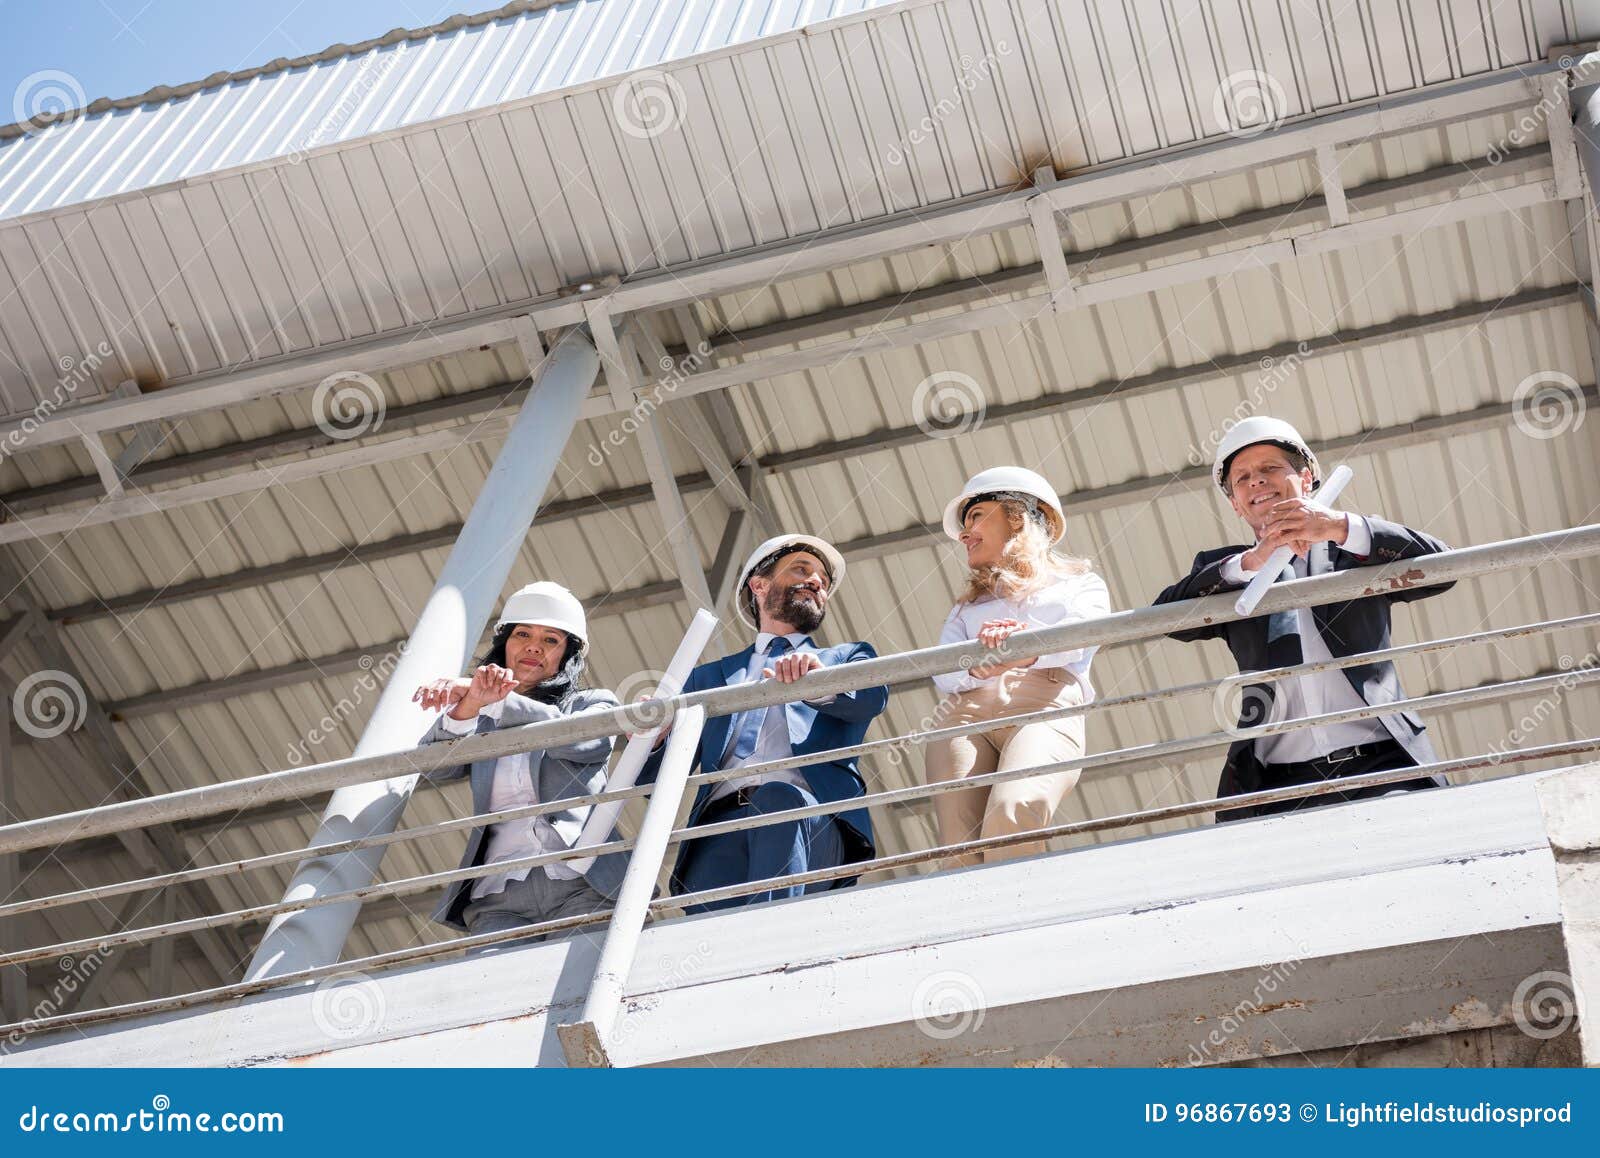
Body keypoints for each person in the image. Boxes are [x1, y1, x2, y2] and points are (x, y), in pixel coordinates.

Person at [1153, 416, 1451, 822]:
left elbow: (1442, 568)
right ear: (1236, 505)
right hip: (1276, 787)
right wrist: (1252, 563)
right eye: (1242, 478)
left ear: (1307, 479)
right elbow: (1168, 619)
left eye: (1270, 468)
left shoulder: (1352, 550)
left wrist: (1338, 526)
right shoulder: (1226, 572)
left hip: (1384, 767)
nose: (1256, 481)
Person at [638, 533, 889, 913]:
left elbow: (872, 698)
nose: (817, 581)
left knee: (778, 799)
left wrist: (819, 684)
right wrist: (652, 740)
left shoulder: (845, 656)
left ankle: (776, 941)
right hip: (719, 826)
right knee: (711, 924)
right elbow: (652, 784)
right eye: (802, 569)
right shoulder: (706, 678)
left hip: (810, 820)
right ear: (760, 585)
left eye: (822, 577)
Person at [412, 581, 625, 944]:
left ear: (566, 656)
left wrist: (494, 701)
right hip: (498, 896)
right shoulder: (480, 717)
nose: (533, 646)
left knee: (585, 992)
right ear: (504, 644)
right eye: (522, 634)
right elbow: (435, 768)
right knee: (494, 996)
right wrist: (467, 707)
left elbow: (587, 742)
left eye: (550, 640)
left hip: (583, 884)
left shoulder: (592, 703)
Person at [925, 467, 1110, 868]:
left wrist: (1021, 647)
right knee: (958, 847)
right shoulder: (966, 607)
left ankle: (1013, 917)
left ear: (1017, 516)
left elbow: (1081, 634)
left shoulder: (1081, 584)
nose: (964, 533)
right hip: (965, 712)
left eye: (975, 516)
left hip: (1045, 701)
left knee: (1015, 807)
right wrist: (979, 668)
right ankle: (973, 929)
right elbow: (942, 670)